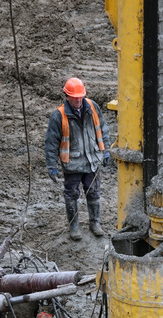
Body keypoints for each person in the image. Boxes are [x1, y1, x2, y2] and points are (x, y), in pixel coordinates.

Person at [44, 77, 111, 241]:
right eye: (74, 97)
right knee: (71, 194)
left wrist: (107, 151)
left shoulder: (93, 108)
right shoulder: (59, 116)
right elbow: (51, 143)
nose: (78, 100)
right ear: (67, 96)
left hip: (92, 161)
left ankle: (94, 223)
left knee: (93, 192)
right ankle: (74, 227)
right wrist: (51, 165)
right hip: (73, 164)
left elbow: (103, 130)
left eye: (80, 96)